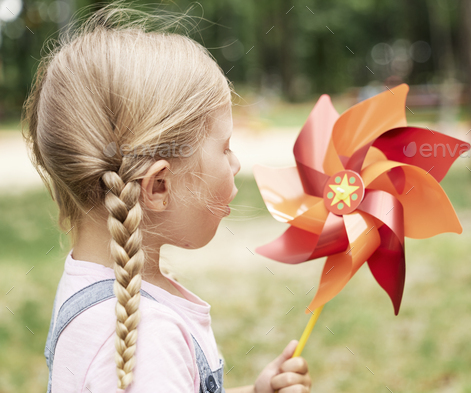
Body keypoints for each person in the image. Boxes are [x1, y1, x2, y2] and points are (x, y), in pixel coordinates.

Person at [21, 3, 312, 393]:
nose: (236, 163)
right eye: (224, 148)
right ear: (158, 186)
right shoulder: (150, 342)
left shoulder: (91, 284)